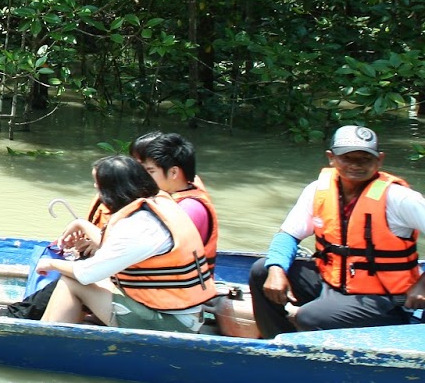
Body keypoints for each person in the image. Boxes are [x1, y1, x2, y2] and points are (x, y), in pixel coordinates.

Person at [248, 125, 425, 337]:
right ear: (331, 158)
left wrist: (422, 286)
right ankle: (276, 343)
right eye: (347, 158)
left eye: (365, 159)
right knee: (262, 270)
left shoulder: (399, 198)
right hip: (332, 282)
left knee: (309, 317)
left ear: (379, 160)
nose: (355, 165)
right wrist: (276, 269)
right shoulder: (317, 190)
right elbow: (288, 234)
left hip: (384, 298)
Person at [35, 155, 217, 333]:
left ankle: (45, 341)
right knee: (77, 277)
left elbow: (86, 274)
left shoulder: (140, 225)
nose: (96, 191)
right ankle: (48, 330)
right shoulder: (158, 203)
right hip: (180, 311)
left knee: (72, 281)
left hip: (174, 323)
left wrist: (51, 264)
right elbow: (116, 248)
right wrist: (82, 224)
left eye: (98, 187)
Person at [131, 131, 219, 263]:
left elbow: (145, 249)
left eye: (150, 171)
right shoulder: (171, 195)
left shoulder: (189, 208)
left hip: (179, 282)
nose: (143, 177)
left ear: (173, 172)